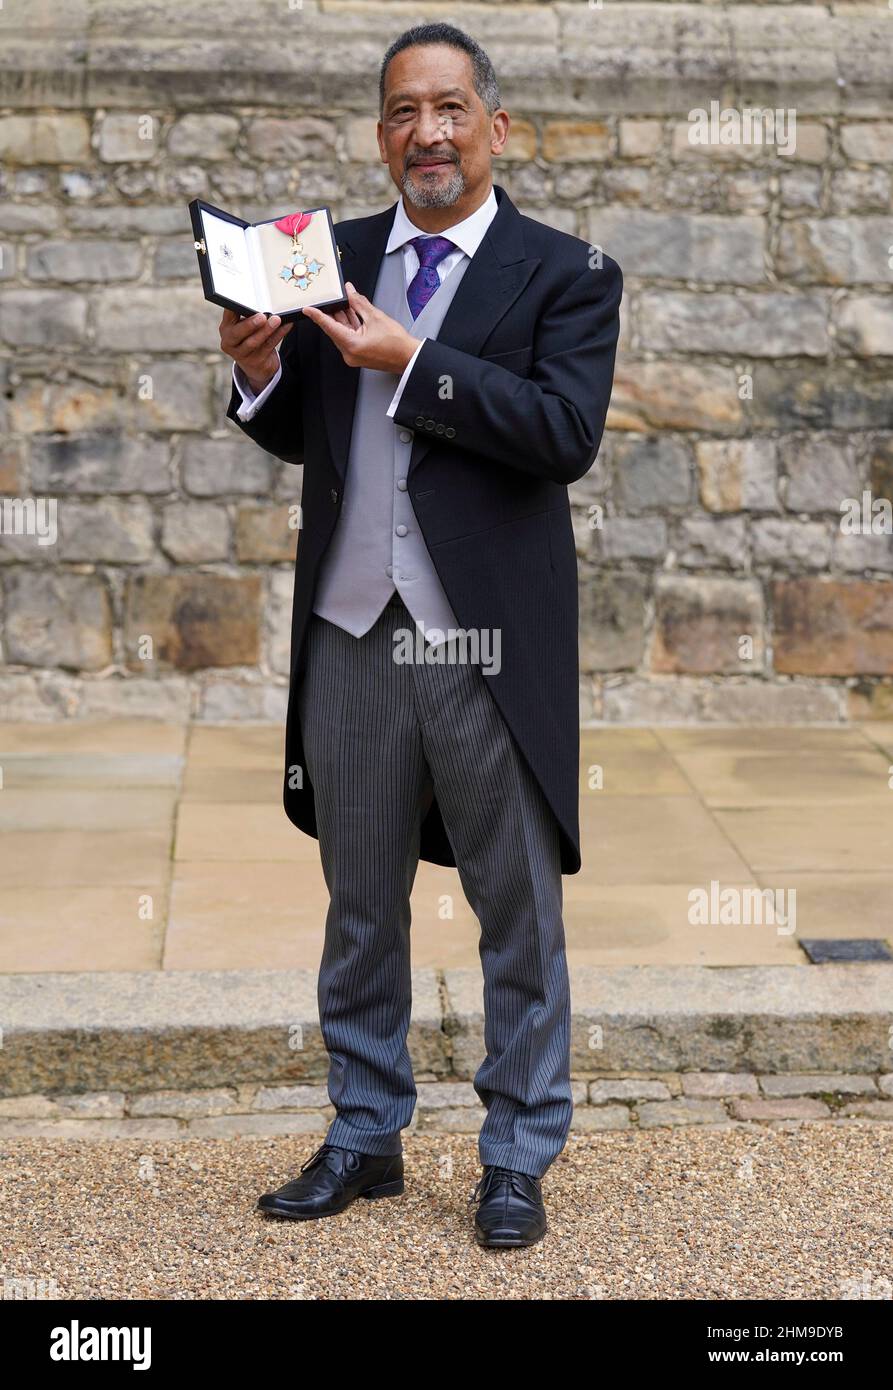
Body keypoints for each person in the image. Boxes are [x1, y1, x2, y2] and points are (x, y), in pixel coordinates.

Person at [219, 21, 622, 1249]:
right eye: (402, 111)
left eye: (450, 109)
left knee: (516, 907)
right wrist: (252, 376)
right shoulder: (321, 256)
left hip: (480, 644)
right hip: (350, 631)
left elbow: (563, 433)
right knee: (358, 904)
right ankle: (362, 1128)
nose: (426, 133)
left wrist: (417, 361)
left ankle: (514, 1152)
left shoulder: (566, 272)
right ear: (380, 132)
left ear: (495, 128)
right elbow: (302, 432)